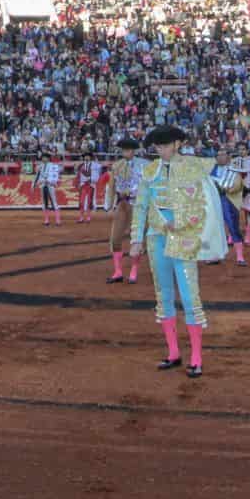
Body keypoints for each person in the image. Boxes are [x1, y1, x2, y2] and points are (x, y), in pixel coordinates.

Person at [128, 125, 226, 378]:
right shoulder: (149, 171)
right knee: (164, 294)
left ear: (177, 144)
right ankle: (173, 352)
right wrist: (136, 239)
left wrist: (184, 222)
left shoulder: (194, 165)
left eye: (165, 145)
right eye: (157, 146)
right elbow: (140, 207)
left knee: (189, 295)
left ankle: (196, 357)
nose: (161, 150)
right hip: (156, 238)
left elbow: (215, 189)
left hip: (183, 237)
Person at [107, 137, 144, 283]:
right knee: (115, 239)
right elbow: (111, 187)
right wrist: (109, 206)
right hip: (122, 205)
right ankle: (118, 272)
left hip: (136, 204)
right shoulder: (117, 166)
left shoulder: (143, 165)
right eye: (123, 150)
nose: (125, 152)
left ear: (133, 151)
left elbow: (144, 184)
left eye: (128, 150)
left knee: (136, 239)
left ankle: (134, 271)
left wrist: (130, 191)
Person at [209, 145, 249, 266]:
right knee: (213, 228)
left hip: (228, 200)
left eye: (223, 155)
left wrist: (226, 189)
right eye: (218, 155)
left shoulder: (234, 170)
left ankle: (240, 257)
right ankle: (215, 255)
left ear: (228, 157)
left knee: (233, 227)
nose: (220, 157)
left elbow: (237, 185)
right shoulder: (211, 169)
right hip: (214, 200)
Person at [36, 154, 64, 225]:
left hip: (50, 185)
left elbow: (58, 172)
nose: (44, 159)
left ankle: (58, 220)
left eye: (45, 158)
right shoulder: (40, 166)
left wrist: (51, 181)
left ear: (48, 159)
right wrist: (38, 182)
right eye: (43, 158)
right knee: (45, 203)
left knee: (54, 202)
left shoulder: (53, 166)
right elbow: (38, 176)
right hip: (43, 185)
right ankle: (46, 220)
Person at [76, 155, 100, 223]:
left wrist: (91, 179)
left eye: (88, 157)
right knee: (81, 202)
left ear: (90, 158)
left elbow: (97, 175)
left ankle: (88, 217)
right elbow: (78, 175)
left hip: (90, 185)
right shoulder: (81, 165)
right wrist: (79, 183)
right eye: (85, 156)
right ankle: (81, 217)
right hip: (83, 185)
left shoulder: (94, 165)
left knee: (89, 201)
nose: (86, 158)